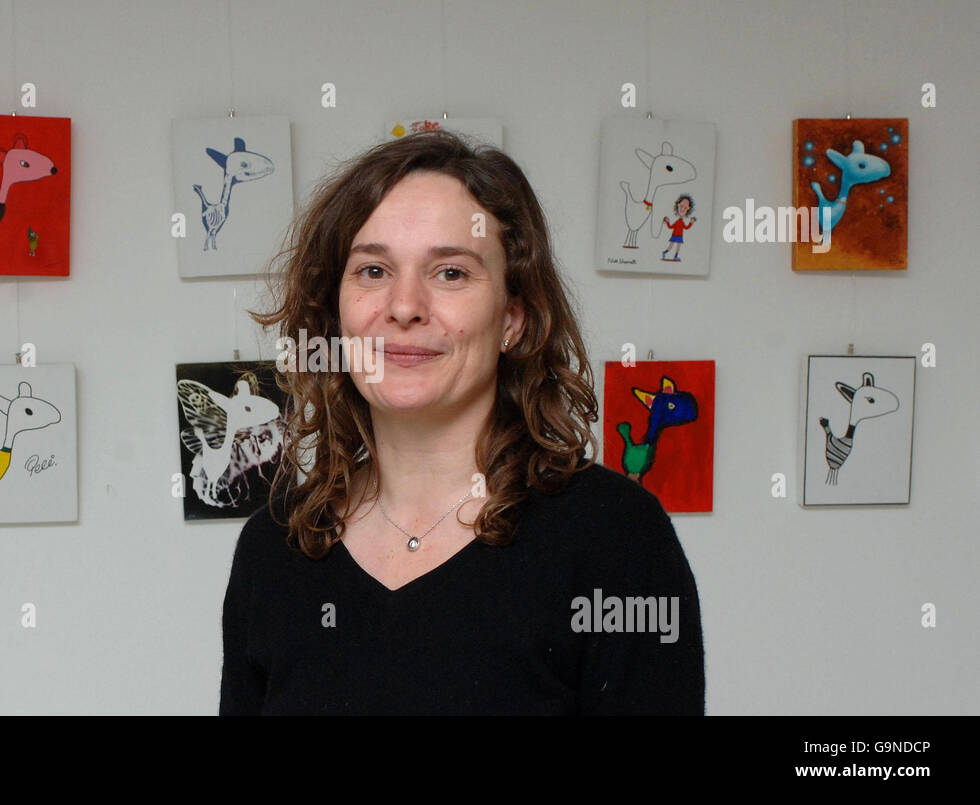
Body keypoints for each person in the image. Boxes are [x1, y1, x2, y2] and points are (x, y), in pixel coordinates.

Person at [221, 129, 704, 715]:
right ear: (334, 317)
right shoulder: (274, 549)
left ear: (514, 319)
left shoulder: (615, 539)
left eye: (450, 272)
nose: (404, 306)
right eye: (373, 271)